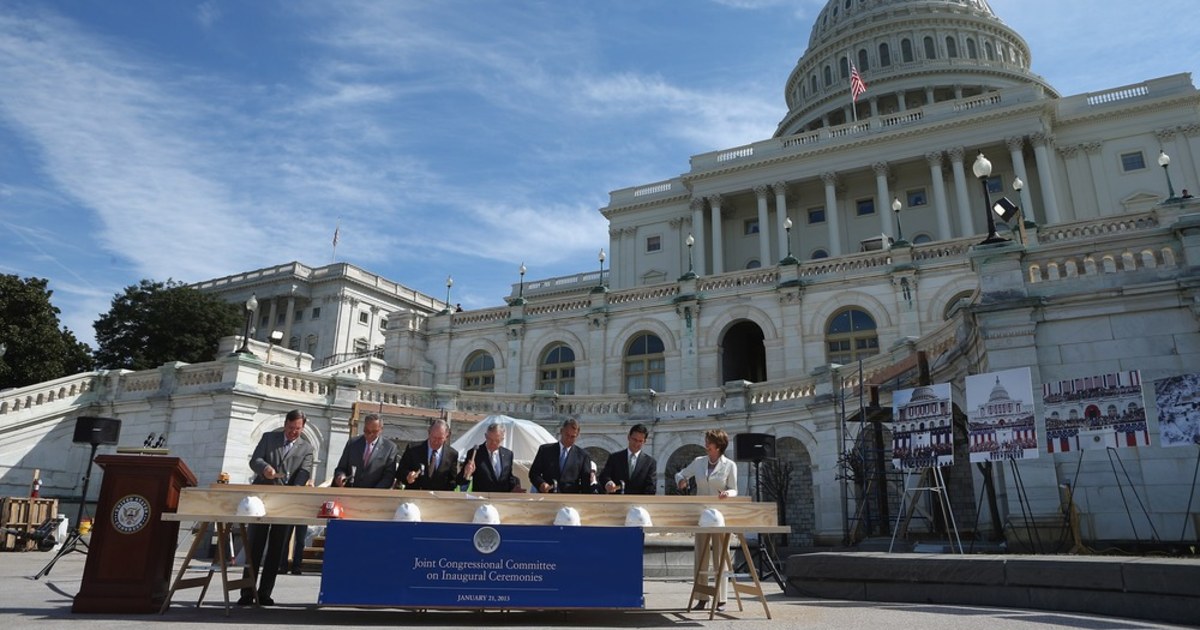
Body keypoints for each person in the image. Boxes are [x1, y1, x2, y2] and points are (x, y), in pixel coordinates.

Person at [239, 409, 313, 606]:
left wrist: (295, 490)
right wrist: (265, 468)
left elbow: (305, 471)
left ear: (302, 427)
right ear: (285, 424)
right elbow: (255, 460)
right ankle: (247, 592)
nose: (293, 432)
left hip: (286, 502)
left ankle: (264, 593)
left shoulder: (306, 448)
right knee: (255, 546)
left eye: (297, 429)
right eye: (290, 428)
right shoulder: (268, 438)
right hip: (262, 498)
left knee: (276, 549)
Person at [674, 428, 738, 612]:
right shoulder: (699, 462)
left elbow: (734, 489)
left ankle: (721, 599)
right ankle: (701, 598)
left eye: (709, 441)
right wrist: (681, 481)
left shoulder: (729, 465)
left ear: (718, 445)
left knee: (721, 556)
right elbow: (681, 474)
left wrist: (728, 493)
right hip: (701, 516)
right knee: (700, 556)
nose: (706, 444)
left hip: (720, 516)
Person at [332, 413, 399, 489]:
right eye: (366, 431)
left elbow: (388, 477)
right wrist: (340, 476)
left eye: (374, 432)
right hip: (350, 492)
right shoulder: (353, 443)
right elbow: (341, 468)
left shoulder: (389, 448)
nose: (370, 435)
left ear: (381, 429)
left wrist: (372, 493)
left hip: (373, 496)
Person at [529, 418, 594, 493]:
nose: (569, 439)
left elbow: (585, 484)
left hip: (569, 499)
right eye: (567, 435)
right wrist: (541, 484)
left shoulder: (583, 456)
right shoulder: (545, 450)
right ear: (561, 431)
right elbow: (533, 473)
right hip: (547, 496)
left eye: (572, 437)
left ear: (577, 436)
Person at [456, 422, 522, 492]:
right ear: (485, 436)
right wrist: (467, 473)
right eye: (490, 440)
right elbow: (460, 481)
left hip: (501, 499)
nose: (493, 443)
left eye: (497, 441)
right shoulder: (475, 453)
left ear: (502, 439)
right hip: (481, 499)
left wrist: (514, 487)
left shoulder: (508, 454)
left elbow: (508, 477)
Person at [397, 419, 459, 490]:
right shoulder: (413, 449)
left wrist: (465, 476)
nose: (436, 442)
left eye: (440, 439)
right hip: (415, 495)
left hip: (437, 497)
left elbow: (453, 481)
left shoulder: (452, 454)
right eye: (434, 438)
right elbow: (400, 472)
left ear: (446, 437)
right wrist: (407, 476)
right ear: (429, 433)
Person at [599, 424, 657, 495]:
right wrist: (608, 483)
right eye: (634, 440)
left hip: (638, 504)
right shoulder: (614, 458)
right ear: (629, 437)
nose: (636, 443)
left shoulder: (650, 462)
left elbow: (651, 487)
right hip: (617, 501)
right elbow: (604, 476)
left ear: (644, 441)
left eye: (640, 441)